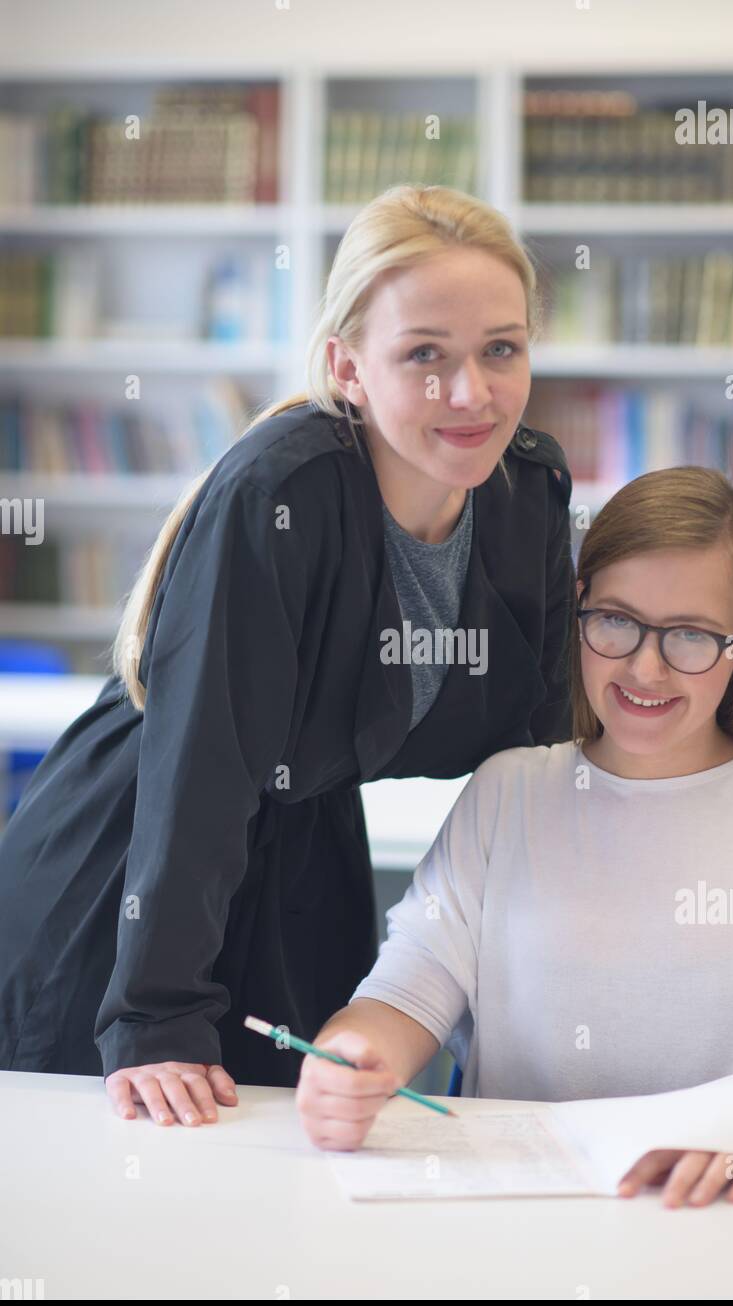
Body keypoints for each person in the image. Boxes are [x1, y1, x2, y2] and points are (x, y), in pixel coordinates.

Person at [0, 184, 576, 1125]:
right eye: (423, 353)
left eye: (499, 349)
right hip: (135, 865)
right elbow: (204, 766)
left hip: (302, 844)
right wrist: (155, 1016)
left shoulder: (529, 491)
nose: (470, 392)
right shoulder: (283, 492)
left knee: (297, 1157)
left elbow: (539, 757)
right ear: (348, 365)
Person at [297, 465, 733, 1208]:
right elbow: (400, 997)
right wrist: (350, 1059)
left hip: (719, 1221)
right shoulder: (510, 791)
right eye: (615, 621)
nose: (643, 666)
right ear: (578, 611)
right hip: (522, 1223)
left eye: (690, 635)